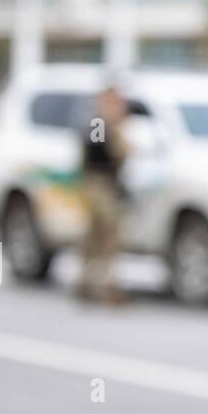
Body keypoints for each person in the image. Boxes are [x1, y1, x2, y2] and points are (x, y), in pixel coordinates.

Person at [78, 86, 130, 304]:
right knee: (104, 231)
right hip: (97, 183)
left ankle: (93, 281)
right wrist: (113, 126)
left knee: (102, 233)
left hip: (108, 184)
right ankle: (97, 282)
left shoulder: (109, 124)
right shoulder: (98, 122)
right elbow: (101, 149)